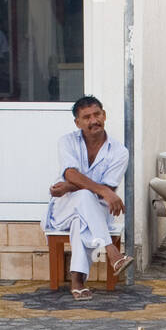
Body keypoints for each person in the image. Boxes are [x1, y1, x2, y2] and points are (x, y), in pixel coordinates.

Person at [46, 95, 132, 301]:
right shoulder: (67, 141)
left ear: (104, 115)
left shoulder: (119, 151)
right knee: (84, 197)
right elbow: (71, 173)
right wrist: (100, 189)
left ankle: (77, 282)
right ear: (78, 122)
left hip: (96, 210)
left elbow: (108, 187)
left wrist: (69, 186)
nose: (94, 121)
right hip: (62, 210)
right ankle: (111, 251)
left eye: (97, 114)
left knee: (81, 220)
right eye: (86, 117)